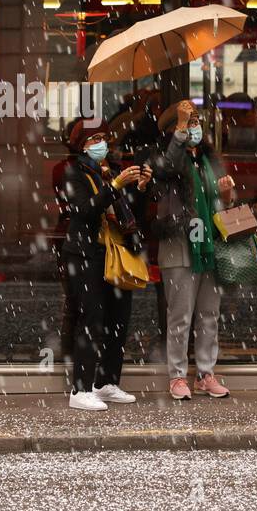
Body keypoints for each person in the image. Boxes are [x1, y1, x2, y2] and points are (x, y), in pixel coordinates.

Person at [57, 122, 150, 411]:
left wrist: (141, 187)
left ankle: (106, 382)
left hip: (116, 252)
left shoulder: (110, 170)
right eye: (94, 139)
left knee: (118, 320)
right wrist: (115, 186)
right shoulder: (74, 173)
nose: (102, 144)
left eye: (104, 138)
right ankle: (80, 388)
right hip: (87, 253)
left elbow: (129, 210)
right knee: (91, 319)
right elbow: (84, 210)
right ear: (82, 145)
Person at [151, 99, 235, 401]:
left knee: (209, 313)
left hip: (209, 245)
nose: (195, 127)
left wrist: (226, 194)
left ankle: (205, 373)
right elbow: (165, 169)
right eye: (189, 121)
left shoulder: (207, 159)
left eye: (197, 120)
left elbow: (219, 202)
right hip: (179, 245)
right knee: (180, 314)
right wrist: (180, 130)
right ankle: (176, 376)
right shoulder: (166, 157)